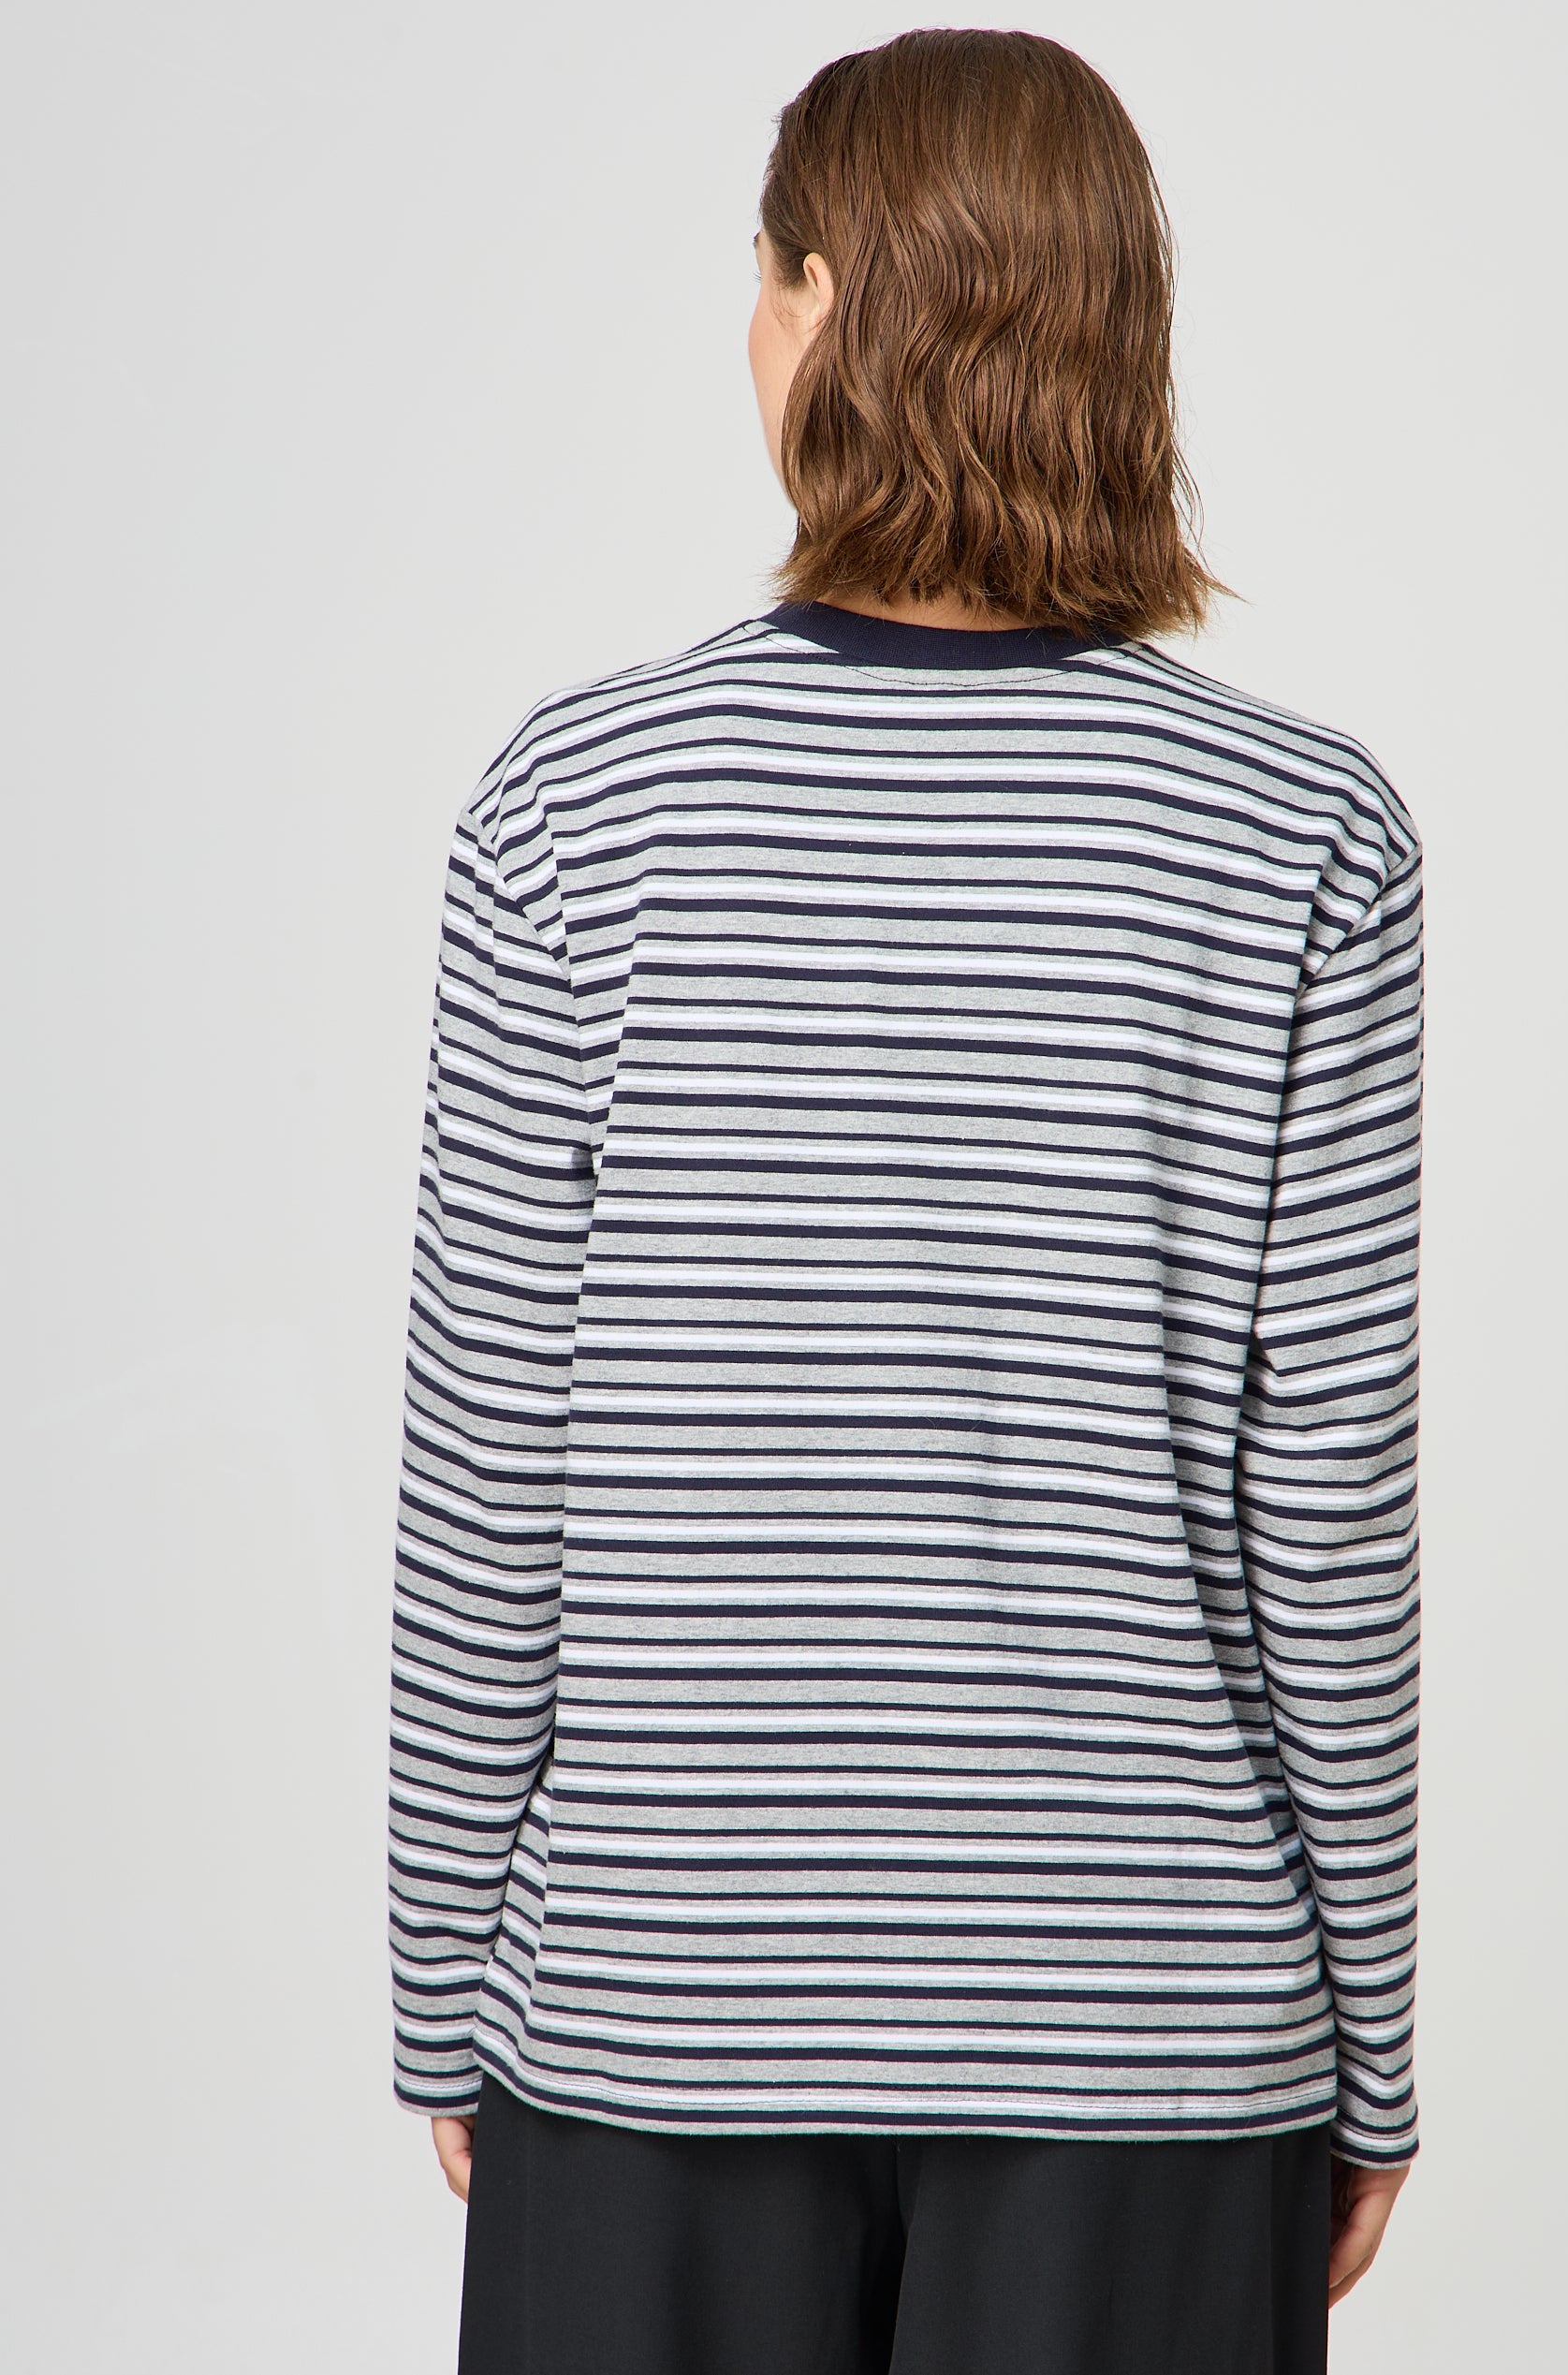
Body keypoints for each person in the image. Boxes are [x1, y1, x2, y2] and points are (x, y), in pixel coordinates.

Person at [387, 28, 1422, 2373]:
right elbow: (1325, 1501)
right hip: (1144, 2034)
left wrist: (448, 1980)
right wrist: (1363, 2038)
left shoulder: (575, 809)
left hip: (661, 2008)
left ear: (824, 303)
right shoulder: (1301, 835)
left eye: (757, 276)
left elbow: (491, 1459)